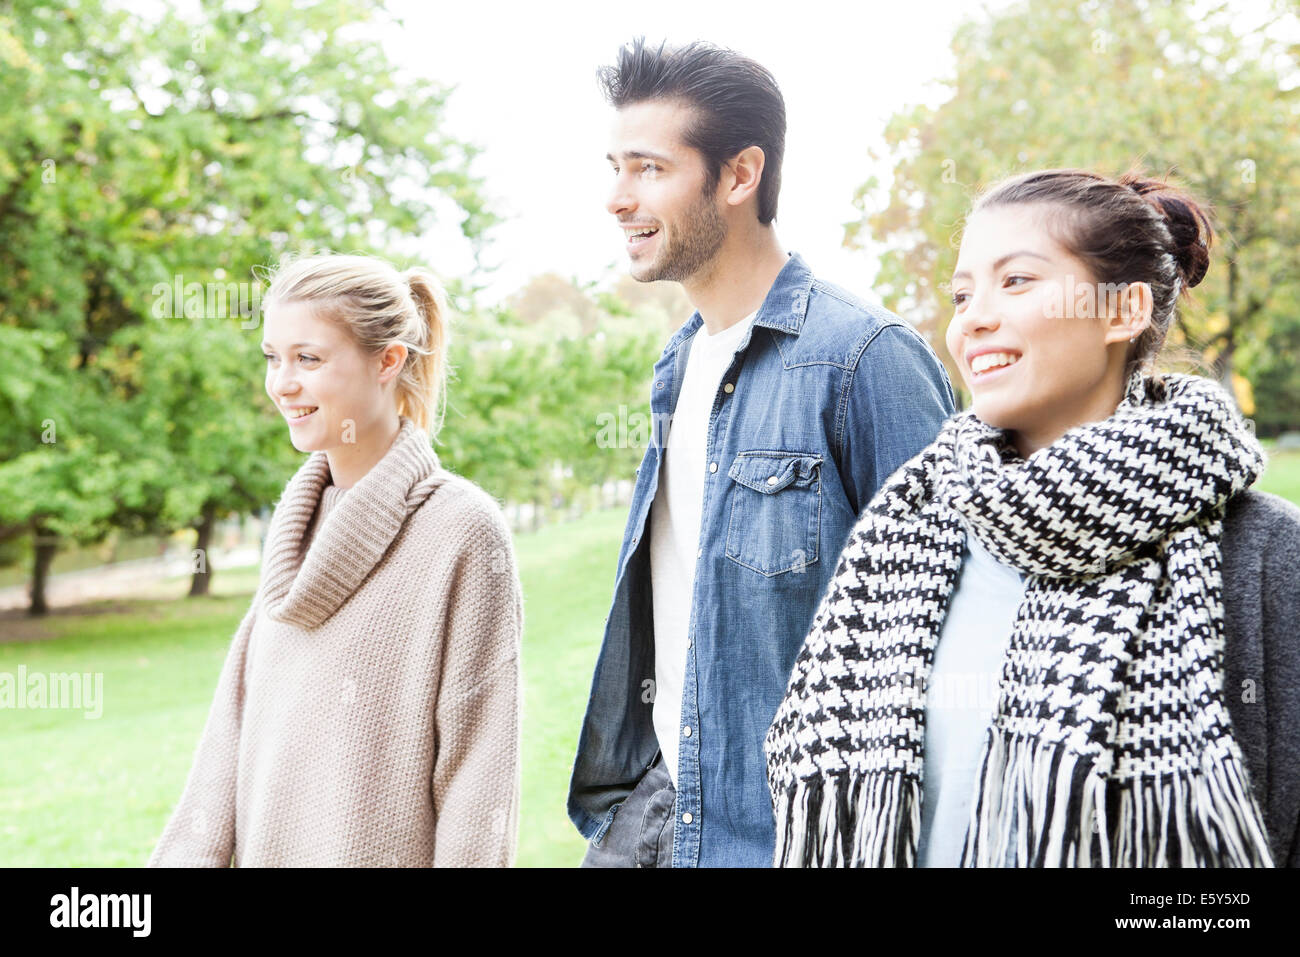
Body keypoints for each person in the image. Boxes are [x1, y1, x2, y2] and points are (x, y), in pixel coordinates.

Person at [765, 168, 1300, 867]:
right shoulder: (906, 531)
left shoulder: (1260, 550)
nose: (972, 319)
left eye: (1016, 281)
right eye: (962, 294)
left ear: (1122, 310)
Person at [568, 38, 956, 868]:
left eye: (647, 169)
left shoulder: (865, 358)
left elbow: (945, 625)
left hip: (788, 834)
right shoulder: (678, 366)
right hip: (655, 812)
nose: (615, 197)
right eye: (614, 166)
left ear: (739, 176)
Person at [148, 253, 523, 867]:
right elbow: (225, 759)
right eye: (272, 357)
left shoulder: (462, 532)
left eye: (309, 358)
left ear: (388, 360)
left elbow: (478, 782)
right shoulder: (294, 535)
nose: (282, 382)